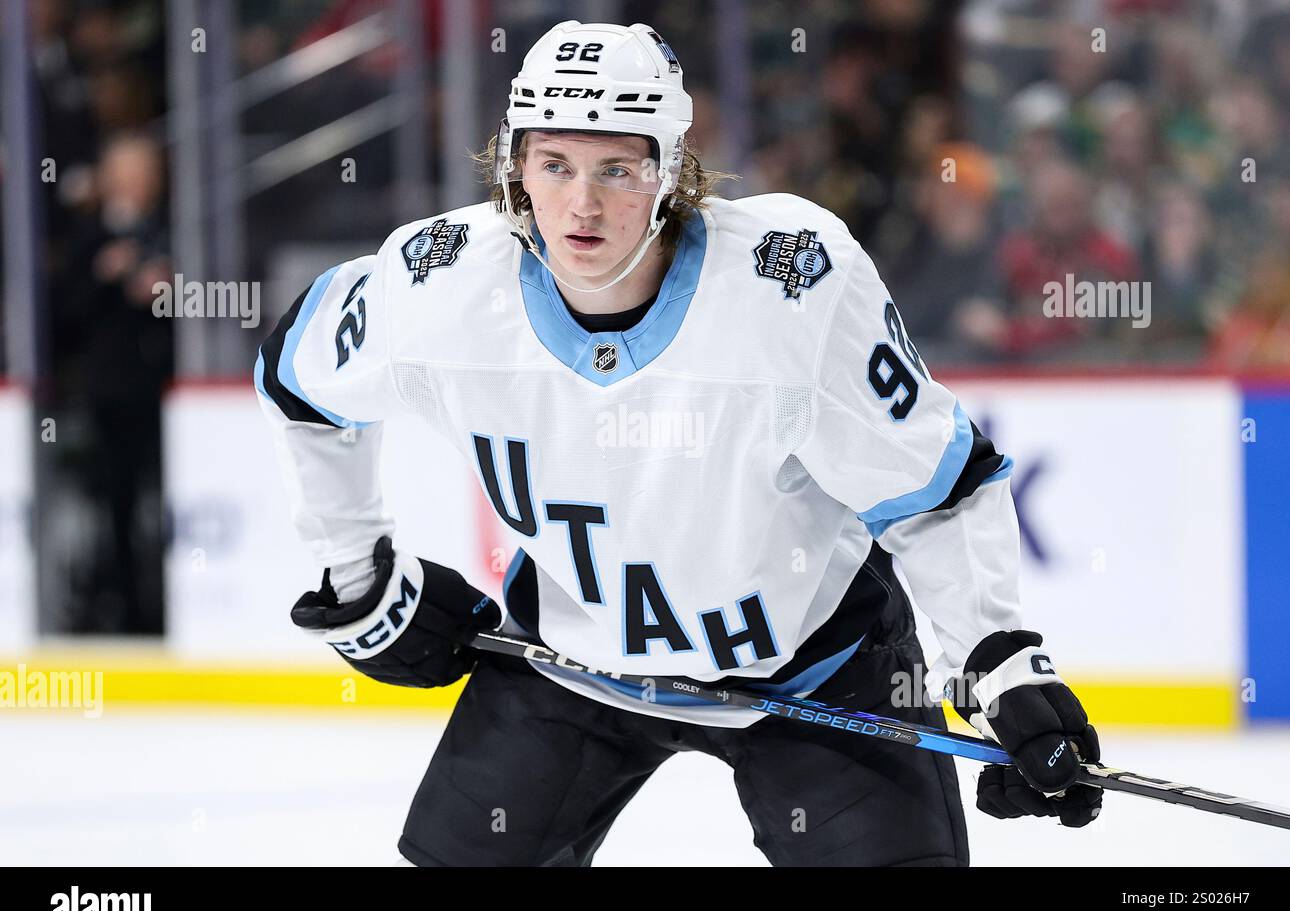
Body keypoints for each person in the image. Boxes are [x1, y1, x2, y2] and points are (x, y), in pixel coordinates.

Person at [255, 21, 1102, 866]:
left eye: (616, 169)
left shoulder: (788, 288)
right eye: (555, 165)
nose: (581, 205)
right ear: (515, 168)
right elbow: (297, 379)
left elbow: (934, 487)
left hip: (813, 671)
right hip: (567, 666)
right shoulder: (439, 285)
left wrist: (1001, 666)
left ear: (669, 172)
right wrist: (357, 578)